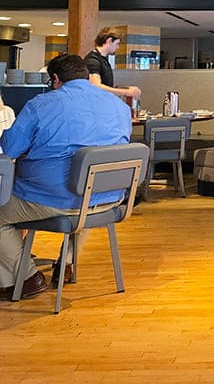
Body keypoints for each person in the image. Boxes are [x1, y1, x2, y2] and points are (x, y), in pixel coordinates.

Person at [0, 53, 131, 300]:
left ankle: (25, 279)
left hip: (51, 200)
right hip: (107, 199)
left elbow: (9, 149)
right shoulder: (119, 107)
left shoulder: (41, 105)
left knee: (1, 209)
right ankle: (67, 260)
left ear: (55, 79)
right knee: (86, 189)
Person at [84, 28, 141, 100]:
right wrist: (126, 92)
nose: (118, 47)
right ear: (109, 41)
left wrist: (127, 88)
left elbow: (106, 84)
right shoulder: (93, 60)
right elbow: (96, 86)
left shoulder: (103, 59)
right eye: (117, 44)